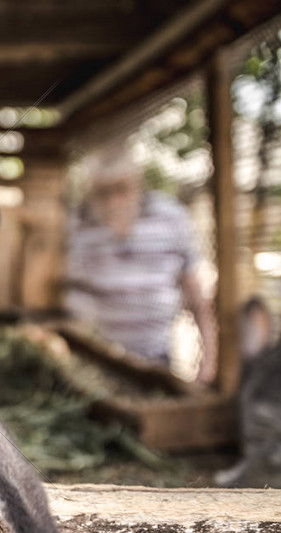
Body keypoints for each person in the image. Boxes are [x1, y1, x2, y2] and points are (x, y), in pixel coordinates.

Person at [64, 143, 218, 386]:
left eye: (121, 189)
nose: (114, 200)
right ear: (90, 191)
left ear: (137, 183)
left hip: (157, 358)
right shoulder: (78, 224)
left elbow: (195, 292)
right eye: (103, 192)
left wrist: (208, 360)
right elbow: (70, 297)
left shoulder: (170, 217)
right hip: (98, 361)